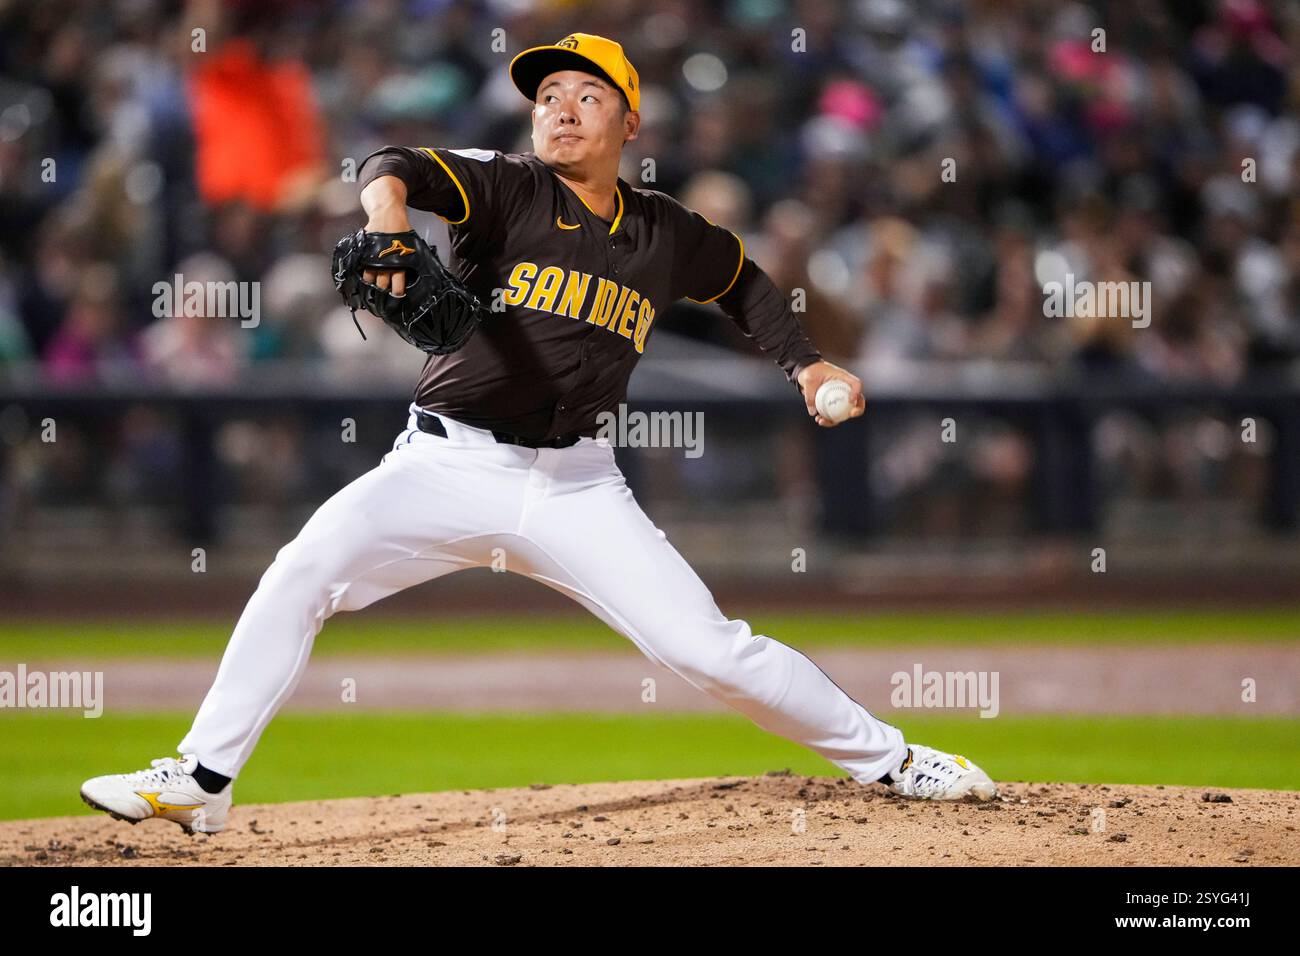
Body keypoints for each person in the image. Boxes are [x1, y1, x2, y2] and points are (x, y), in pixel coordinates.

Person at [80, 33, 996, 835]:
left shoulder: (663, 232)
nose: (560, 110)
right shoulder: (506, 188)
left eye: (587, 96)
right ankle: (202, 779)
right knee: (302, 570)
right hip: (444, 463)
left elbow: (745, 284)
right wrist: (390, 216)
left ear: (629, 124)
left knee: (709, 651)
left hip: (579, 485)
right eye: (548, 96)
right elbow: (390, 161)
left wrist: (808, 364)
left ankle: (892, 760)